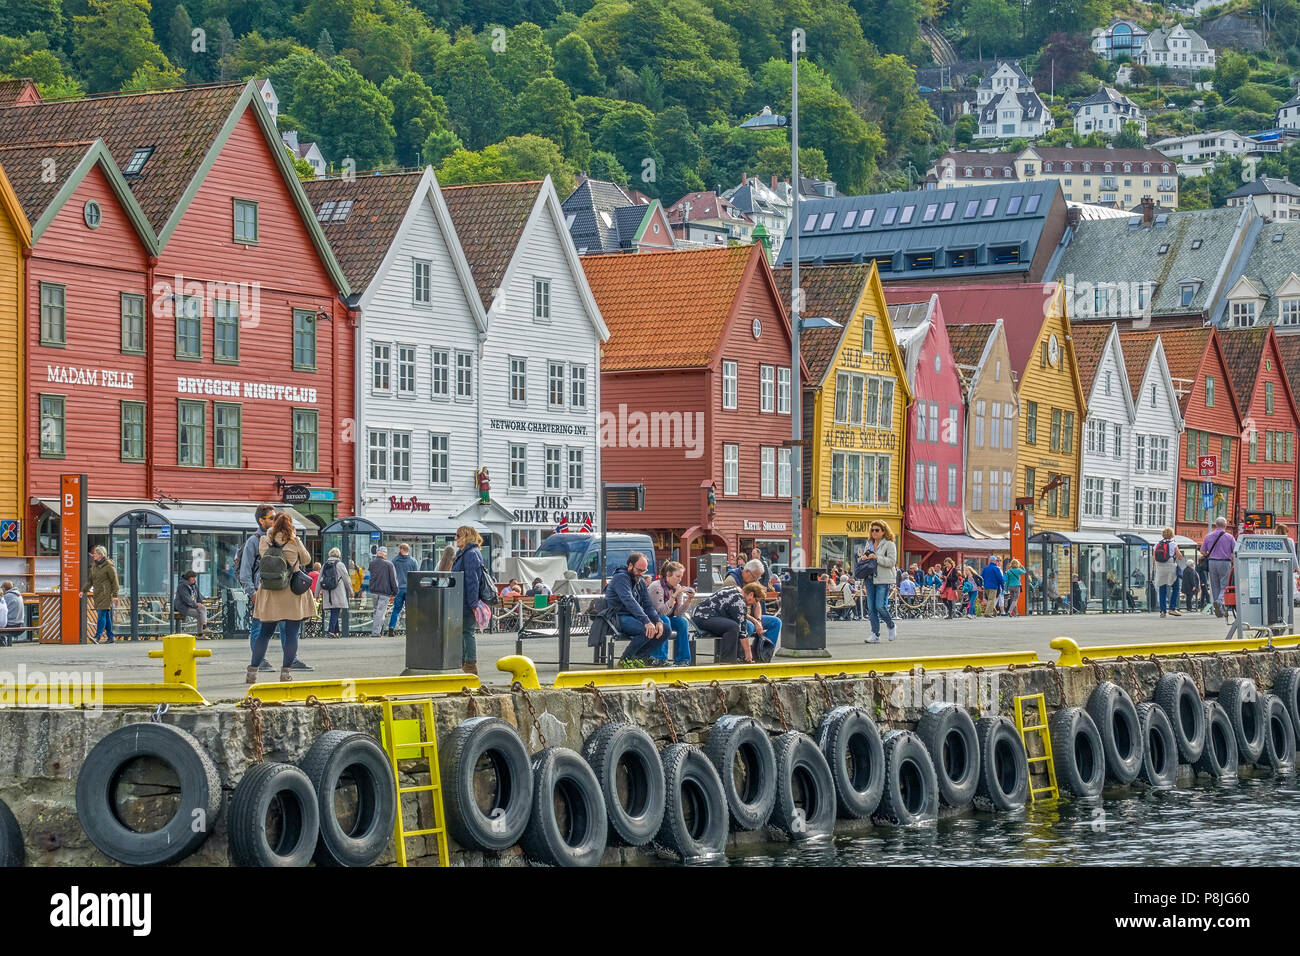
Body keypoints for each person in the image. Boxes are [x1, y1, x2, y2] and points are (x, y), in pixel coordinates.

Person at [239, 505, 311, 672]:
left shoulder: (266, 540)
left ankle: (288, 660)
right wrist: (252, 592)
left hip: (270, 592)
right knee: (260, 628)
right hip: (265, 591)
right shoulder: (255, 540)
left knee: (271, 629)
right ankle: (262, 661)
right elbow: (245, 571)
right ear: (261, 520)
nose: (273, 521)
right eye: (270, 518)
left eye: (275, 519)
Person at [605, 552, 668, 666]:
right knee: (645, 630)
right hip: (618, 616)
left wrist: (658, 621)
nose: (641, 574)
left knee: (665, 630)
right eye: (639, 570)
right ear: (630, 565)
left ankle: (638, 657)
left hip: (633, 616)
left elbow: (648, 605)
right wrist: (646, 621)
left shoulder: (641, 581)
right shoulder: (621, 577)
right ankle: (625, 660)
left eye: (644, 571)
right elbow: (629, 601)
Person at [691, 582, 767, 664]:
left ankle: (738, 658)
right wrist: (748, 653)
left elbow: (741, 618)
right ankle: (727, 661)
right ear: (751, 594)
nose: (754, 604)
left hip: (701, 615)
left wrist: (755, 621)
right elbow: (742, 631)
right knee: (733, 627)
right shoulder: (738, 600)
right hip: (703, 617)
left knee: (733, 625)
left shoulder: (735, 590)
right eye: (756, 600)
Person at [725, 558, 782, 659]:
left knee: (776, 622)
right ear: (747, 571)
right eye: (755, 577)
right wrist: (755, 622)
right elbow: (735, 609)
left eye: (757, 579)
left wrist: (759, 620)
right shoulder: (731, 580)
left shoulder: (752, 581)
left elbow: (758, 604)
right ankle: (742, 655)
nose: (755, 581)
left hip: (750, 617)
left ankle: (763, 654)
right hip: (734, 616)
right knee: (750, 626)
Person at [450, 526, 486, 674]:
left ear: (466, 536)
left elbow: (473, 580)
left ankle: (470, 665)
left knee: (467, 632)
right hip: (460, 598)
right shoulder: (464, 553)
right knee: (462, 632)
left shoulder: (471, 554)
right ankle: (465, 662)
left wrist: (472, 603)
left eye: (458, 535)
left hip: (466, 600)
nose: (456, 538)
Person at [648, 560, 694, 665]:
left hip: (666, 618)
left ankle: (683, 660)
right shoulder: (656, 586)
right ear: (668, 574)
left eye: (681, 577)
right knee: (665, 620)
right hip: (652, 619)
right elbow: (660, 612)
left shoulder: (677, 588)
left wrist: (689, 600)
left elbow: (678, 613)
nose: (679, 580)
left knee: (682, 622)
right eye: (677, 576)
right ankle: (660, 658)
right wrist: (673, 596)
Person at [862, 520, 898, 643]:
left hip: (883, 579)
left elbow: (892, 562)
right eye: (872, 530)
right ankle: (875, 634)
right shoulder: (869, 544)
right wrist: (863, 558)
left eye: (877, 530)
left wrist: (877, 557)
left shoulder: (889, 544)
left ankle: (891, 625)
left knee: (880, 606)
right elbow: (866, 559)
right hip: (870, 578)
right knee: (871, 608)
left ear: (883, 531)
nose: (874, 532)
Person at [1202, 517, 1237, 617]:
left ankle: (1220, 610)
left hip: (1212, 562)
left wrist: (1209, 554)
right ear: (1225, 525)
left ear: (1215, 525)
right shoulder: (1229, 537)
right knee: (1224, 585)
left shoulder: (1208, 536)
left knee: (1215, 585)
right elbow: (1235, 551)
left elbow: (1203, 551)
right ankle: (1219, 601)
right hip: (1225, 562)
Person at [84, 546, 120, 644]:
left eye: (95, 553)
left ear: (100, 555)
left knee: (101, 615)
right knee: (106, 616)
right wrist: (83, 590)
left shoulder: (109, 566)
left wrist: (115, 595)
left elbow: (114, 581)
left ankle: (97, 636)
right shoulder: (94, 566)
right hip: (97, 594)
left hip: (106, 594)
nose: (93, 555)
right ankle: (111, 636)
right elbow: (90, 580)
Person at [386, 543, 418, 635]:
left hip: (398, 589)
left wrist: (392, 591)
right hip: (410, 589)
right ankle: (410, 629)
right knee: (410, 610)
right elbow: (416, 576)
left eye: (399, 549)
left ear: (401, 549)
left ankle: (391, 628)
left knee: (396, 609)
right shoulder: (413, 561)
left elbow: (391, 576)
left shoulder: (395, 561)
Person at [1153, 526, 1183, 618]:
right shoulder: (1173, 544)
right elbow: (1179, 556)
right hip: (1170, 567)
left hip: (1160, 568)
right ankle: (1172, 608)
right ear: (1172, 535)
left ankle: (1162, 611)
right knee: (1176, 587)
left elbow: (1154, 559)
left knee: (1162, 589)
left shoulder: (1157, 544)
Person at [368, 547, 398, 637]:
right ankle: (376, 632)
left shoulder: (372, 564)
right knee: (380, 612)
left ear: (377, 553)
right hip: (384, 592)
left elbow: (370, 577)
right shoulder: (389, 564)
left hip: (374, 591)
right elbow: (393, 580)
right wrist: (395, 592)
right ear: (385, 554)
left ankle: (377, 631)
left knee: (376, 611)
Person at [173, 570, 207, 635]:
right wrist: (196, 604)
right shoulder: (182, 586)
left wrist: (199, 603)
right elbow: (186, 599)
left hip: (192, 606)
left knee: (203, 608)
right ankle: (202, 632)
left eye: (195, 577)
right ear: (188, 578)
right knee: (200, 613)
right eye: (192, 577)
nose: (194, 579)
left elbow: (199, 596)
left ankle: (204, 627)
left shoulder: (194, 586)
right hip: (183, 607)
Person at [1, 581, 24, 647]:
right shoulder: (19, 595)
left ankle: (2, 643)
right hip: (20, 623)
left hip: (11, 624)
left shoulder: (7, 596)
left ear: (3, 588)